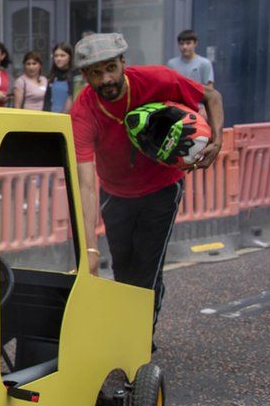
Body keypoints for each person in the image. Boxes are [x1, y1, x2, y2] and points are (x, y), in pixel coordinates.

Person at [71, 33, 223, 340]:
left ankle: (138, 340)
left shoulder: (157, 79)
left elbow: (212, 97)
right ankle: (137, 319)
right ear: (85, 76)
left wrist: (217, 141)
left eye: (111, 68)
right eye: (96, 73)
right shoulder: (83, 111)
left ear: (124, 62)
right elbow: (86, 185)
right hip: (115, 194)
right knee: (123, 269)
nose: (106, 79)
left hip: (162, 188)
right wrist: (89, 249)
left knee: (145, 270)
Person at [44, 42, 77, 113]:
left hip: (70, 118)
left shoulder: (76, 76)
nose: (58, 59)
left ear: (70, 57)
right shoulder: (51, 76)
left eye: (62, 55)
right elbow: (47, 101)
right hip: (51, 117)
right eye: (56, 56)